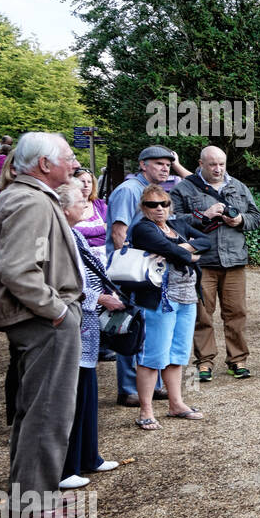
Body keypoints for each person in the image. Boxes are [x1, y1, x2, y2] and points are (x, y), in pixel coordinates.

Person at [0, 133, 84, 518]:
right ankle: (31, 505)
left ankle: (29, 498)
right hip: (42, 321)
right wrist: (57, 311)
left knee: (38, 408)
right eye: (67, 156)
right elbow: (17, 269)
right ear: (45, 165)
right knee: (47, 410)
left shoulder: (29, 197)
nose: (74, 161)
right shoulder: (30, 201)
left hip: (41, 319)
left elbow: (34, 261)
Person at [170, 145, 260, 380]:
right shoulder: (184, 189)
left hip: (234, 261)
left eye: (221, 164)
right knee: (202, 314)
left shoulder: (238, 187)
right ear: (200, 164)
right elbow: (172, 222)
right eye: (212, 164)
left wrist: (241, 219)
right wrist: (204, 216)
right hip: (202, 262)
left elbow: (255, 217)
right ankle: (204, 362)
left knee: (236, 313)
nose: (218, 169)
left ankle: (238, 360)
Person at [125, 184, 211, 429]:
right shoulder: (142, 228)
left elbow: (207, 241)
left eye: (163, 204)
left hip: (186, 297)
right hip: (158, 299)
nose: (159, 209)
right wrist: (189, 253)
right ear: (143, 207)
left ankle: (176, 404)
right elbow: (173, 251)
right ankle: (146, 410)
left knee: (178, 354)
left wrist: (181, 250)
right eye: (152, 205)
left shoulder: (177, 225)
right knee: (153, 355)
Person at [60, 182, 124, 486]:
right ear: (64, 207)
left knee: (87, 392)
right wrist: (99, 298)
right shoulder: (60, 234)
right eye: (79, 202)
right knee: (73, 394)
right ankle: (67, 467)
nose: (85, 208)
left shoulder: (73, 233)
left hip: (88, 325)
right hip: (75, 320)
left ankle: (89, 456)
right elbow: (64, 280)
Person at [107, 145, 178, 407]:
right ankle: (129, 389)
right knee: (130, 327)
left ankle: (153, 385)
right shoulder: (129, 190)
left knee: (149, 327)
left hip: (149, 272)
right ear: (142, 165)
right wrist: (123, 275)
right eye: (158, 163)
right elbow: (118, 233)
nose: (165, 167)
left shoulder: (155, 192)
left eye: (168, 164)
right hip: (130, 272)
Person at [72, 167, 109, 262]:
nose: (86, 185)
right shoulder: (68, 205)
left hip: (104, 259)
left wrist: (86, 235)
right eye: (82, 181)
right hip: (80, 258)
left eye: (89, 182)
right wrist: (101, 229)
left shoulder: (100, 205)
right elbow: (72, 232)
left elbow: (110, 230)